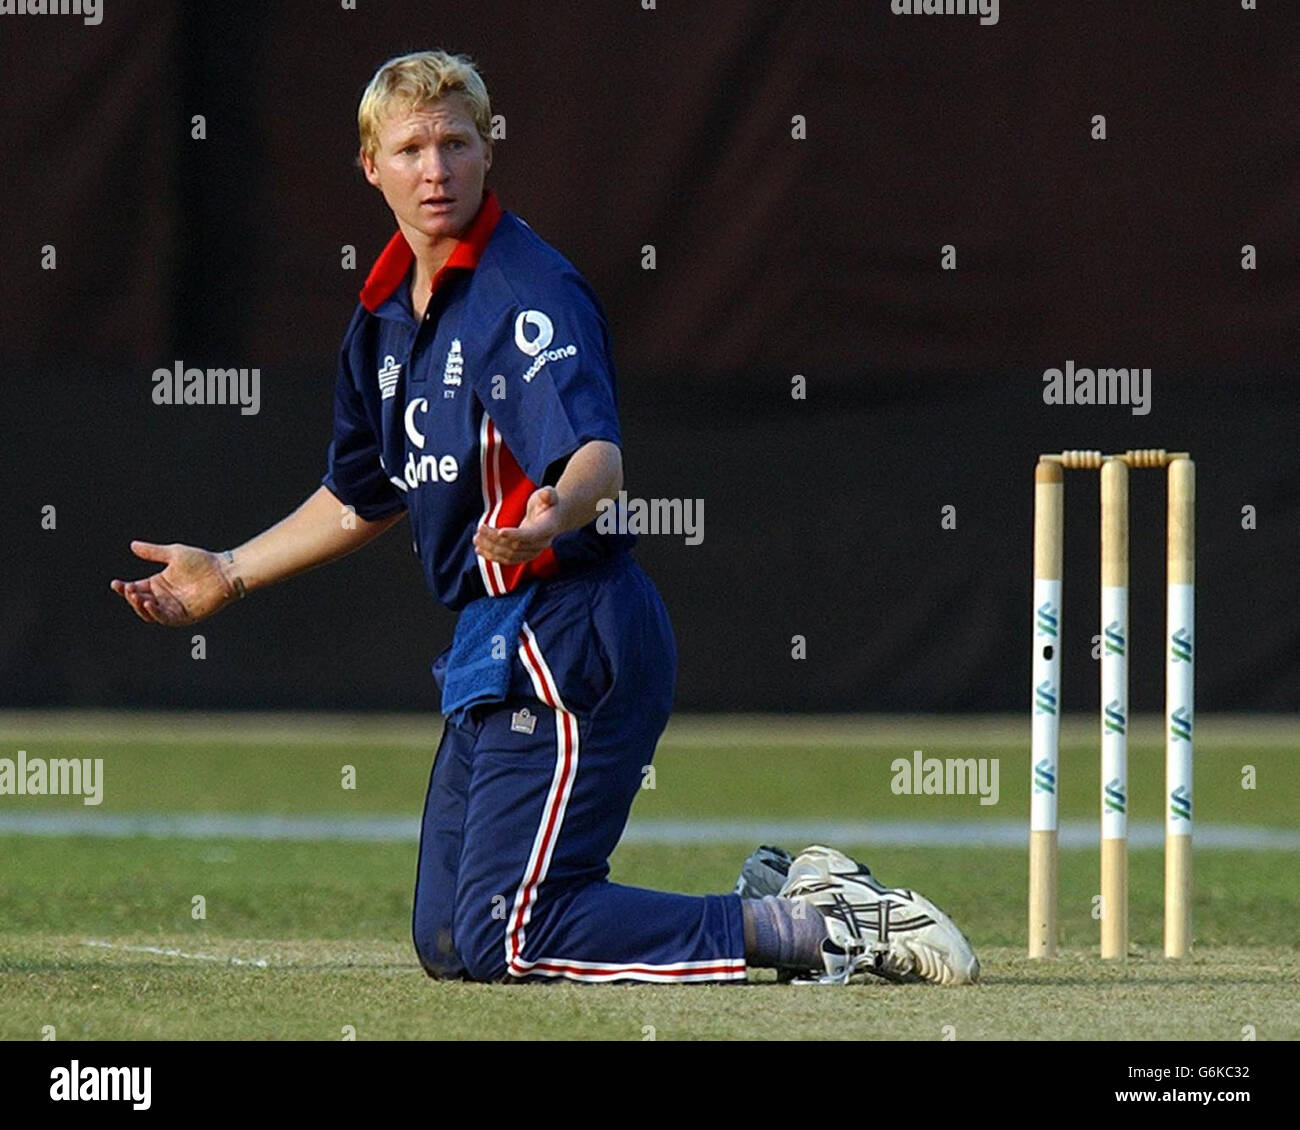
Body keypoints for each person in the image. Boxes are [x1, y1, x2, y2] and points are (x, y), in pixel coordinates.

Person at [110, 50, 978, 986]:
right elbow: (364, 494)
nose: (435, 168)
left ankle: (825, 930)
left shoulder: (524, 289)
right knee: (450, 941)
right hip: (493, 637)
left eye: (456, 142)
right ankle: (791, 890)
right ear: (371, 167)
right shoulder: (382, 319)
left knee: (504, 936)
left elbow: (596, 456)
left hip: (572, 625)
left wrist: (552, 511)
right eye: (410, 148)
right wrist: (229, 571)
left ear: (489, 152)